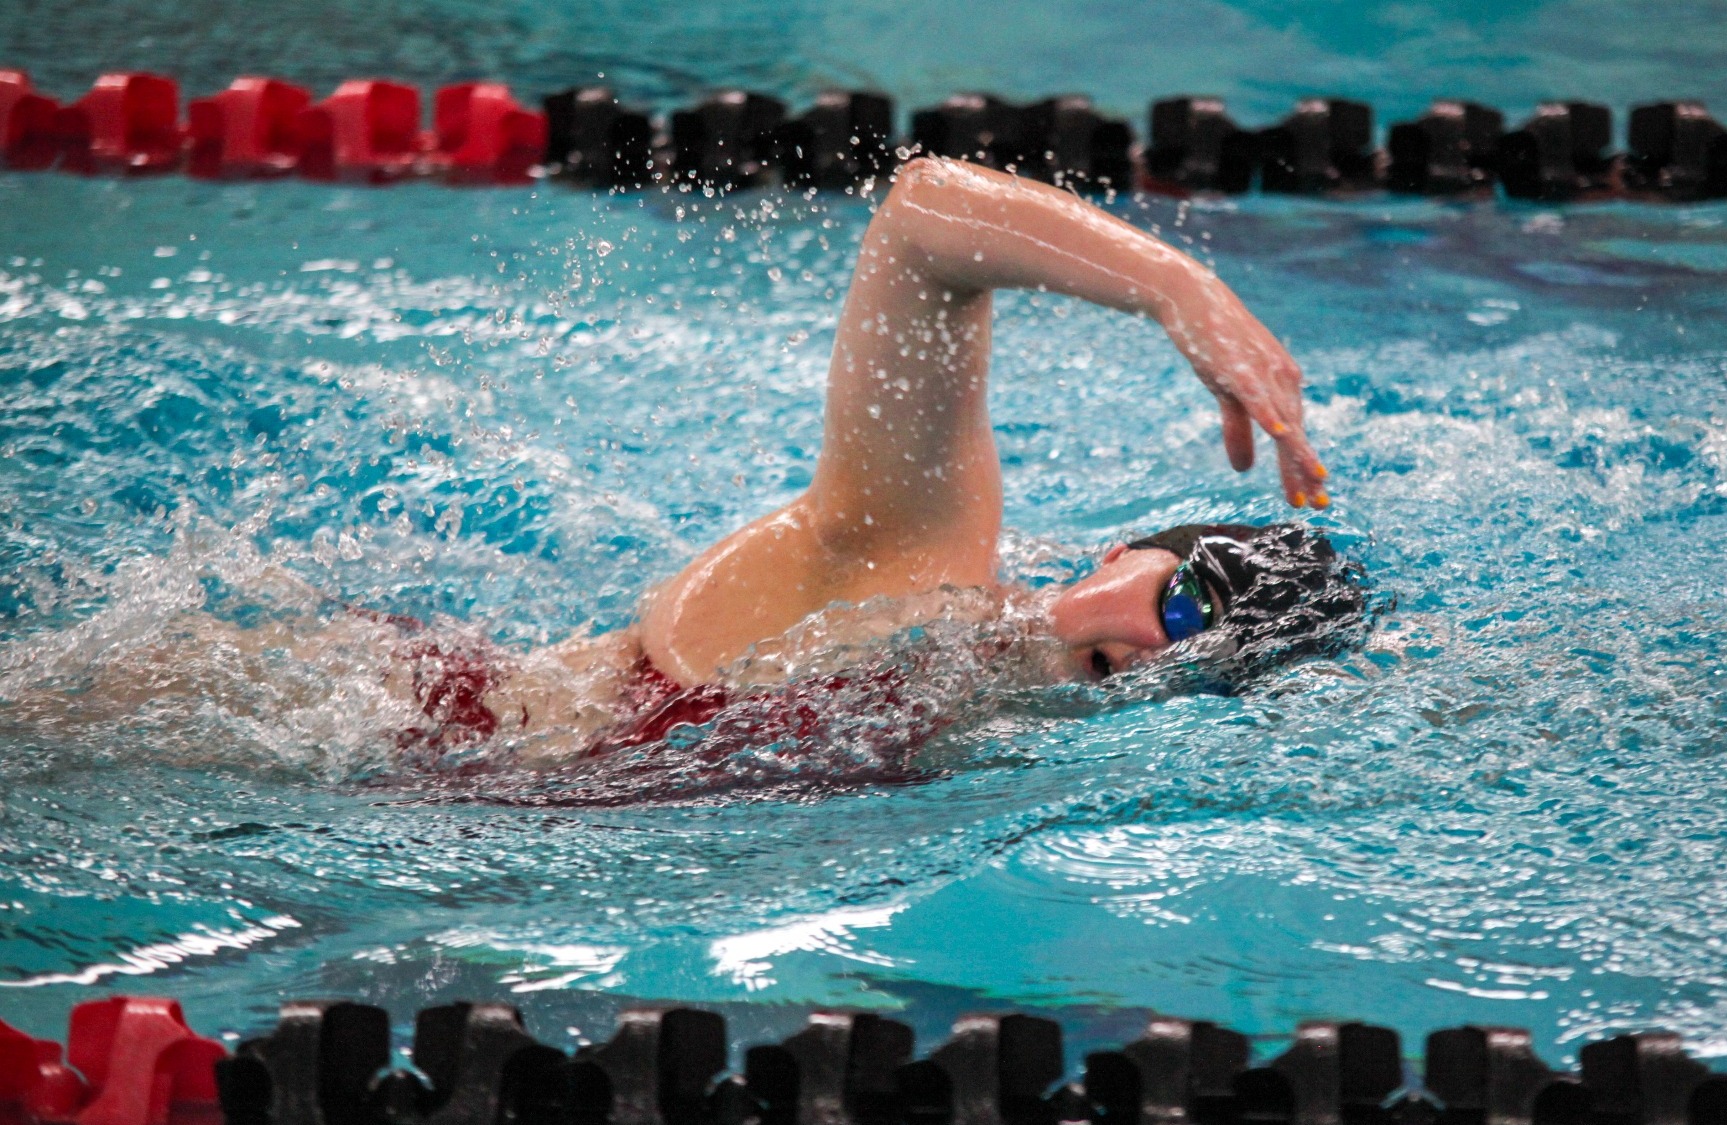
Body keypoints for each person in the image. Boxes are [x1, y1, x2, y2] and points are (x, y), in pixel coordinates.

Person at [2, 156, 1374, 774]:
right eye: (1184, 605)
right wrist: (1171, 285)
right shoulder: (910, 553)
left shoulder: (970, 759)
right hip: (325, 725)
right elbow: (921, 220)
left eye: (1207, 665)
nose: (1159, 653)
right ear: (1122, 554)